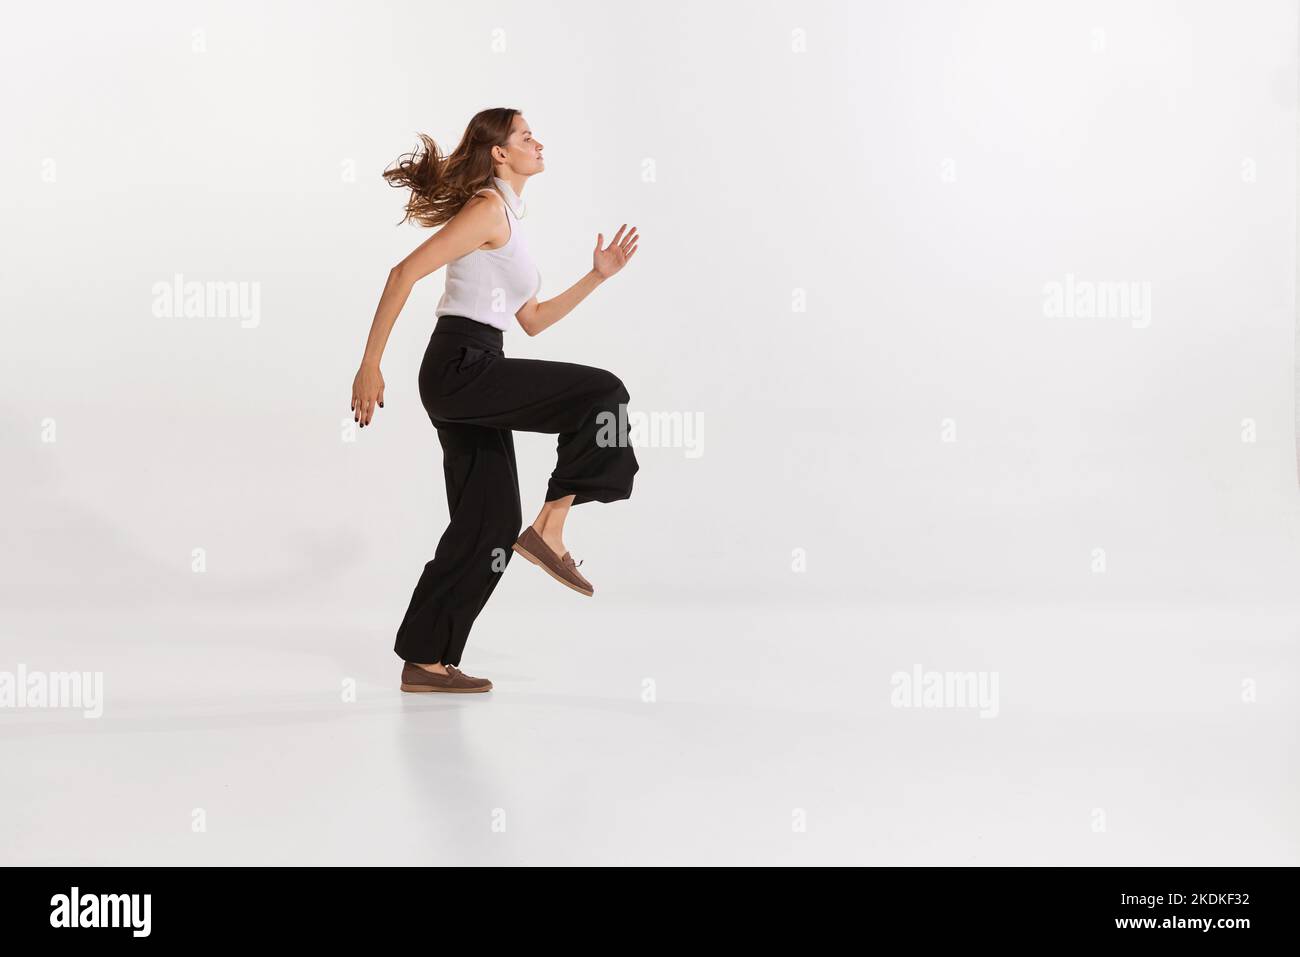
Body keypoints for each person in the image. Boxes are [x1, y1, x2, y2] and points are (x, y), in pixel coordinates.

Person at [350, 107, 640, 694]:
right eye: (526, 136)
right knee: (604, 394)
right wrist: (369, 364)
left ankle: (426, 660)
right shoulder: (486, 208)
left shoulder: (505, 217)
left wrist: (598, 277)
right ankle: (550, 530)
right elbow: (403, 273)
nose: (538, 142)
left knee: (489, 524)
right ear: (501, 153)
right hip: (461, 365)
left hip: (482, 361)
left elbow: (531, 320)